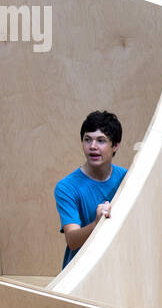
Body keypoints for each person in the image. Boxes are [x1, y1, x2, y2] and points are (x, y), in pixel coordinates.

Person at [54, 110, 126, 270]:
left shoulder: (127, 179)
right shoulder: (66, 187)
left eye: (101, 141)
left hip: (118, 266)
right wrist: (96, 224)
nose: (92, 147)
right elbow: (72, 241)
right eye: (87, 140)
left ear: (115, 145)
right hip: (80, 272)